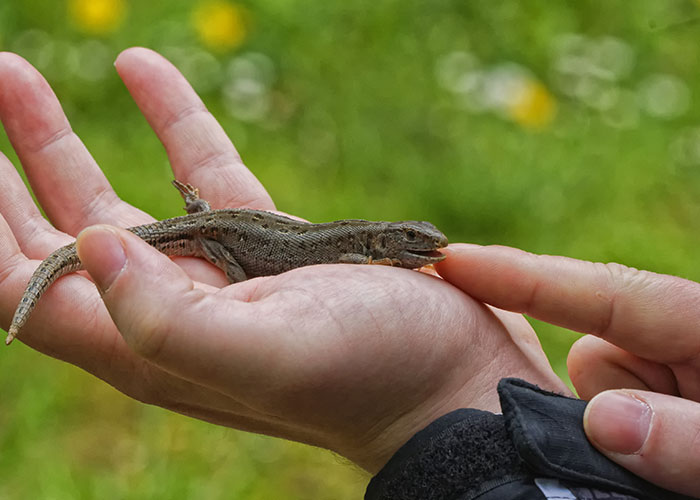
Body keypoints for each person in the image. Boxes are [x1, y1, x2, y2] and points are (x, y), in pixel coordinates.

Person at [0, 48, 698, 499]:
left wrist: (448, 389)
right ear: (390, 243)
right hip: (218, 237)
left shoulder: (372, 251)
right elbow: (244, 246)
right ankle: (168, 228)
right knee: (215, 245)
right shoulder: (364, 249)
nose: (426, 250)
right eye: (414, 244)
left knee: (213, 234)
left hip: (221, 228)